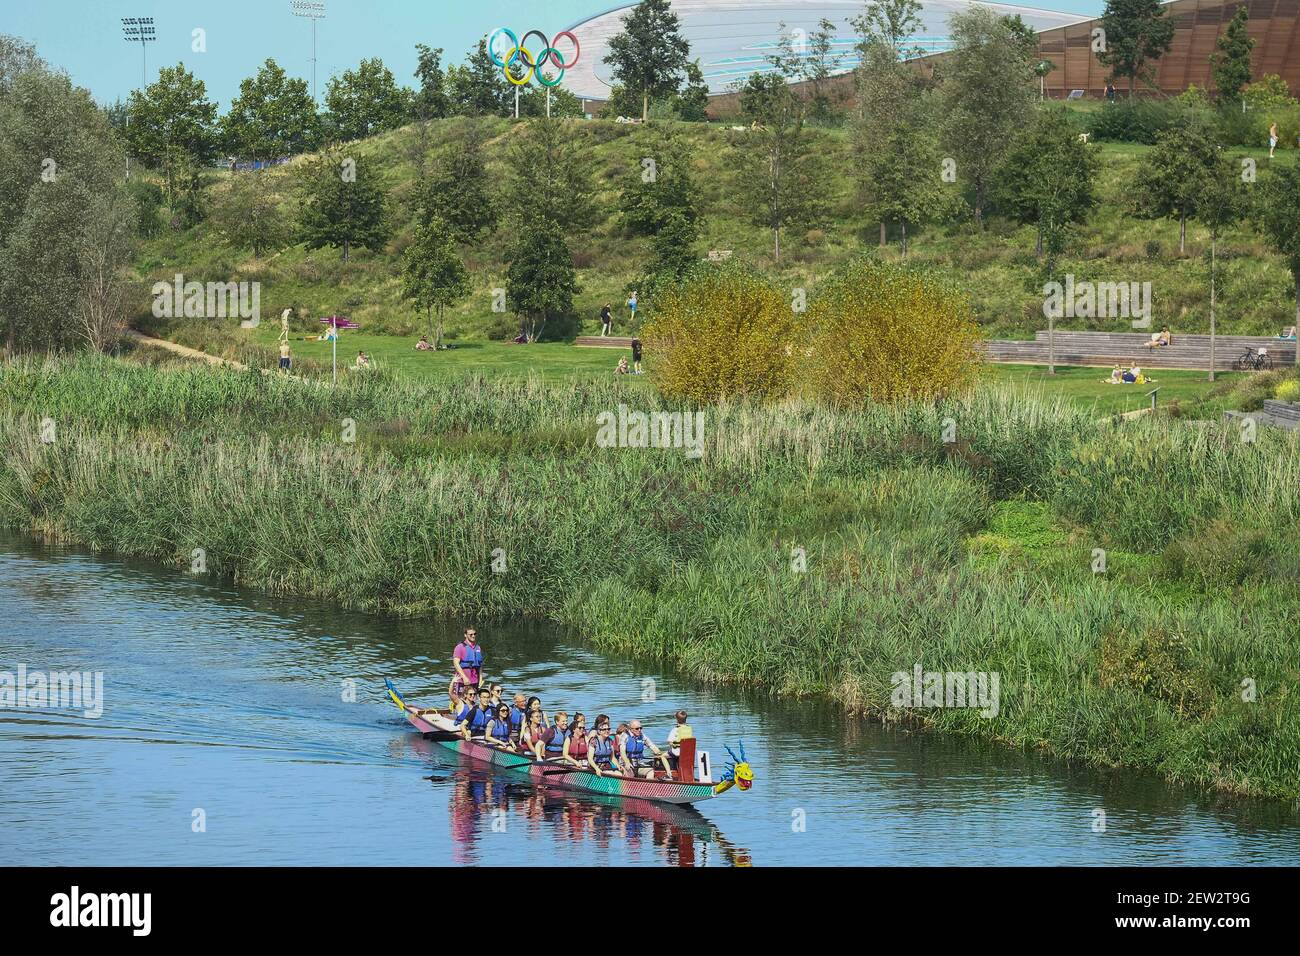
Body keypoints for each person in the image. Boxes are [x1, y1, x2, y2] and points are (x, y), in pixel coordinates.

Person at [452, 627, 482, 697]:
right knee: (460, 699)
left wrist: (480, 679)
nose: (473, 636)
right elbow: (456, 663)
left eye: (475, 634)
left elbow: (480, 665)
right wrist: (464, 677)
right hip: (462, 680)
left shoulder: (478, 647)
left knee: (473, 699)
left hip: (475, 680)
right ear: (465, 635)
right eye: (471, 634)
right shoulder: (460, 647)